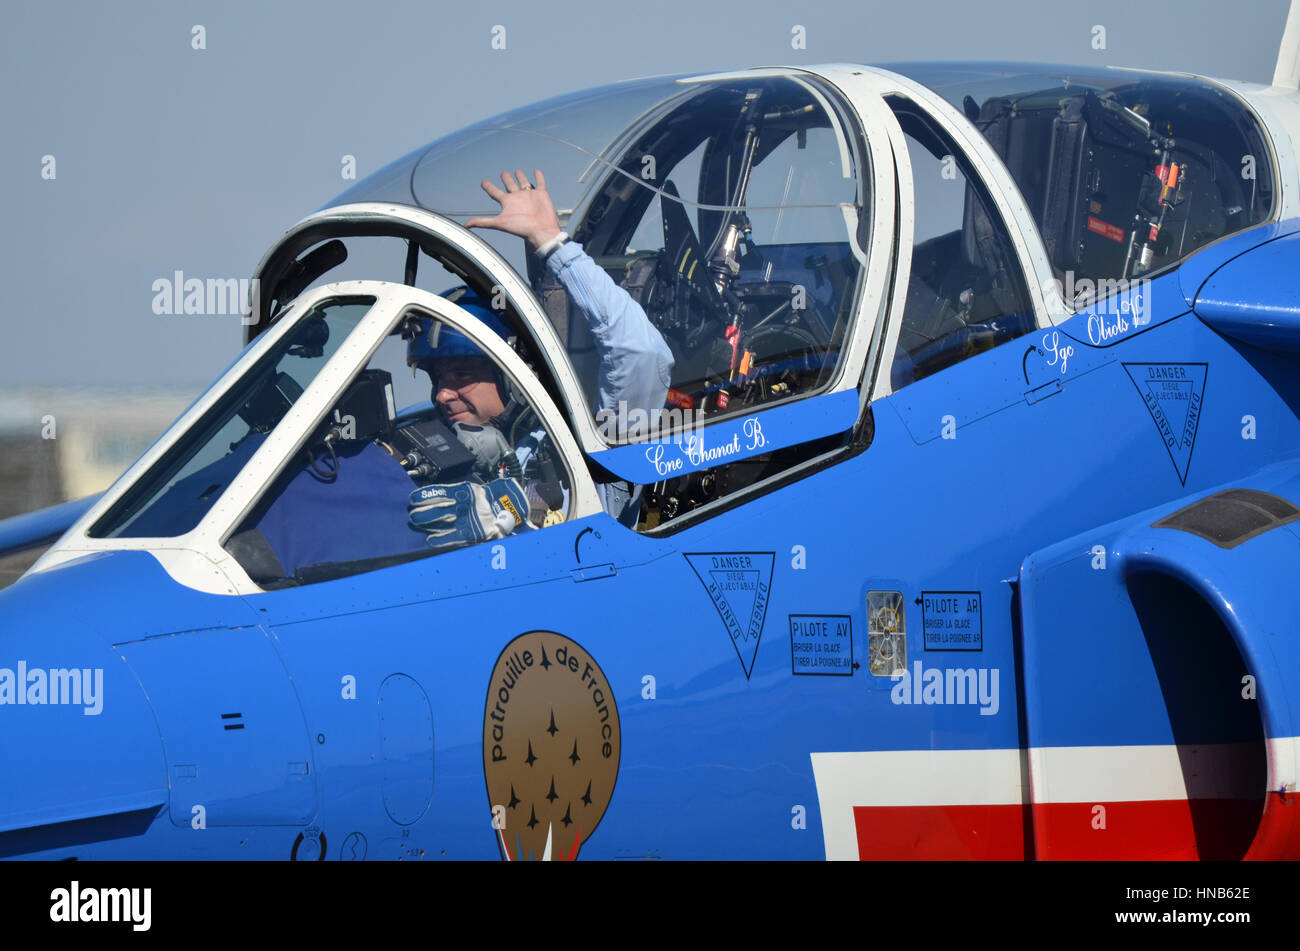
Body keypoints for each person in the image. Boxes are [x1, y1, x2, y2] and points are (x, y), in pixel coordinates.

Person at [405, 169, 674, 548]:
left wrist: (551, 243)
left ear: (513, 375)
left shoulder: (590, 449)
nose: (442, 395)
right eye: (436, 379)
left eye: (461, 374)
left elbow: (642, 354)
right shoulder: (432, 459)